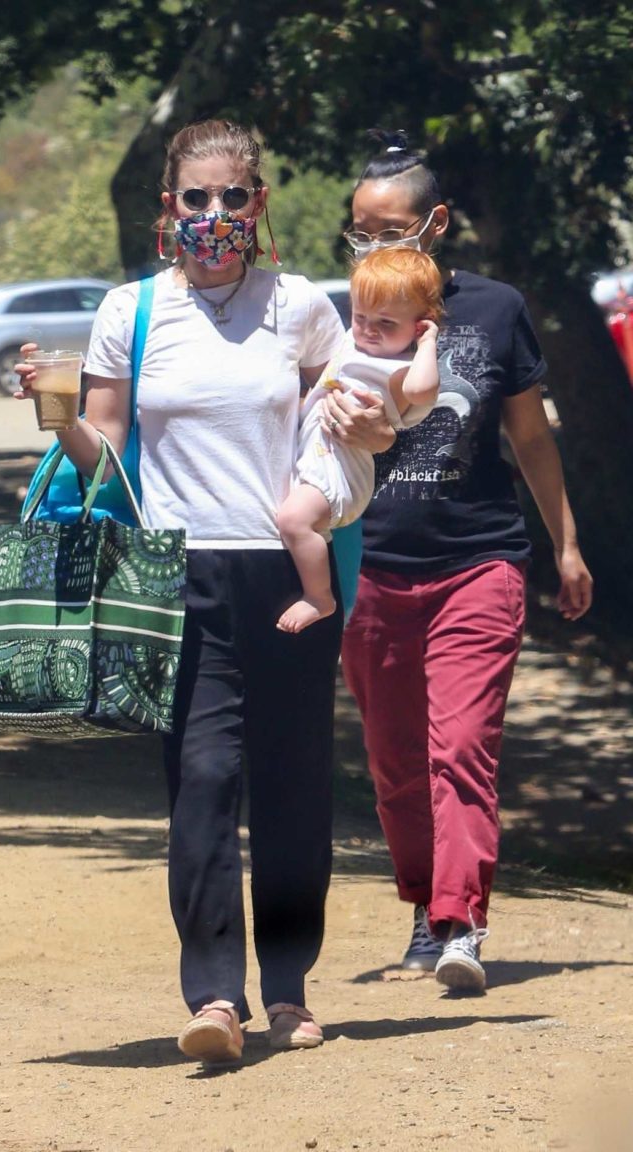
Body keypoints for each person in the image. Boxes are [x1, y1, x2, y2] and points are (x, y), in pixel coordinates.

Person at [14, 119, 394, 1062]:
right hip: (174, 574)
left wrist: (366, 413)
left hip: (289, 574)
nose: (214, 214)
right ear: (168, 208)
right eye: (196, 198)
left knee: (297, 788)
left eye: (232, 197)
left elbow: (362, 431)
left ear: (258, 204)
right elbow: (103, 452)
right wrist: (57, 416)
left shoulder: (302, 307)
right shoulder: (130, 311)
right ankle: (215, 993)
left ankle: (292, 992)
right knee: (204, 781)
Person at [328, 129, 593, 994]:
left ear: (435, 223)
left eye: (392, 228)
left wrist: (566, 543)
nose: (376, 245)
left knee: (462, 747)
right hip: (369, 564)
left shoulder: (496, 308)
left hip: (478, 562)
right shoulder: (335, 316)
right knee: (395, 757)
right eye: (360, 231)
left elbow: (529, 439)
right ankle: (423, 907)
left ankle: (462, 923)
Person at [277, 247, 442, 633]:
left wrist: (429, 343)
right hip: (319, 457)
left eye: (386, 322)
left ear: (418, 325)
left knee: (293, 520)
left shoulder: (400, 369)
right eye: (361, 315)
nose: (368, 329)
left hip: (341, 473)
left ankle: (319, 596)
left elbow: (422, 392)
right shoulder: (354, 343)